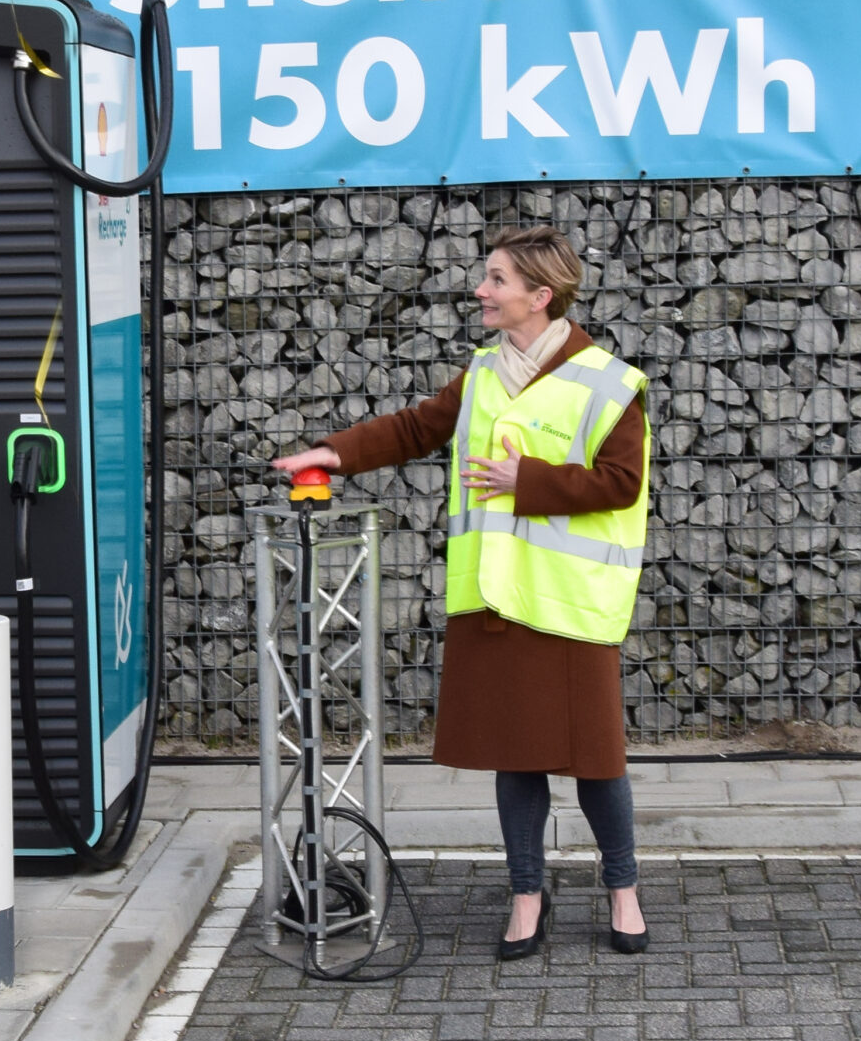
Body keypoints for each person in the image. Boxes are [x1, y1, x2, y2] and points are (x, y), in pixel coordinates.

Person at [274, 226, 652, 959]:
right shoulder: (482, 374)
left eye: (497, 279)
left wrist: (527, 481)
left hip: (569, 602)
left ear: (540, 296)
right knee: (519, 756)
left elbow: (622, 483)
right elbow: (417, 428)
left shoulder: (610, 381)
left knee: (597, 760)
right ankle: (525, 896)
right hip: (496, 605)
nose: (481, 290)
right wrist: (335, 454)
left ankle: (624, 891)